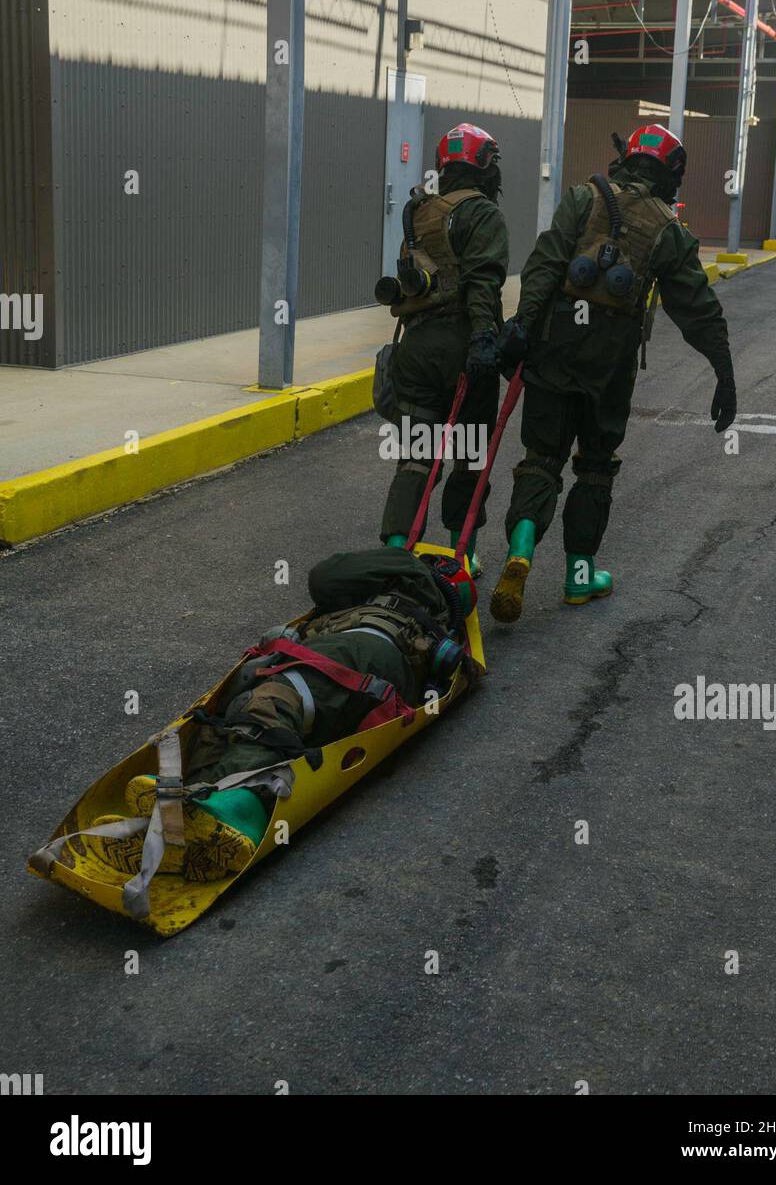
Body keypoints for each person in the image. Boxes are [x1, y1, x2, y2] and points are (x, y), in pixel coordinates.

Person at [88, 547, 477, 883]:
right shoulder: (439, 630)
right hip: (372, 680)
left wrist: (399, 560)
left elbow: (324, 577)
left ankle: (238, 812)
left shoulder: (407, 591)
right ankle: (189, 822)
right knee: (238, 719)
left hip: (360, 656)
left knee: (271, 703)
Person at [489, 123, 737, 624]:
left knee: (541, 457)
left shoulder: (583, 198)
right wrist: (723, 371)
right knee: (595, 465)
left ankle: (520, 552)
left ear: (628, 159)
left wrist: (520, 328)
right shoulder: (669, 228)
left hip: (555, 347)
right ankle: (580, 576)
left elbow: (543, 266)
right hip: (611, 360)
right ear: (670, 174)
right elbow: (696, 307)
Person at [378, 123, 509, 576]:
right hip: (462, 350)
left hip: (415, 347)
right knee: (470, 457)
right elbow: (482, 283)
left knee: (416, 455)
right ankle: (461, 557)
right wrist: (483, 339)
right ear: (486, 165)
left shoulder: (420, 213)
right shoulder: (482, 214)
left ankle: (397, 552)